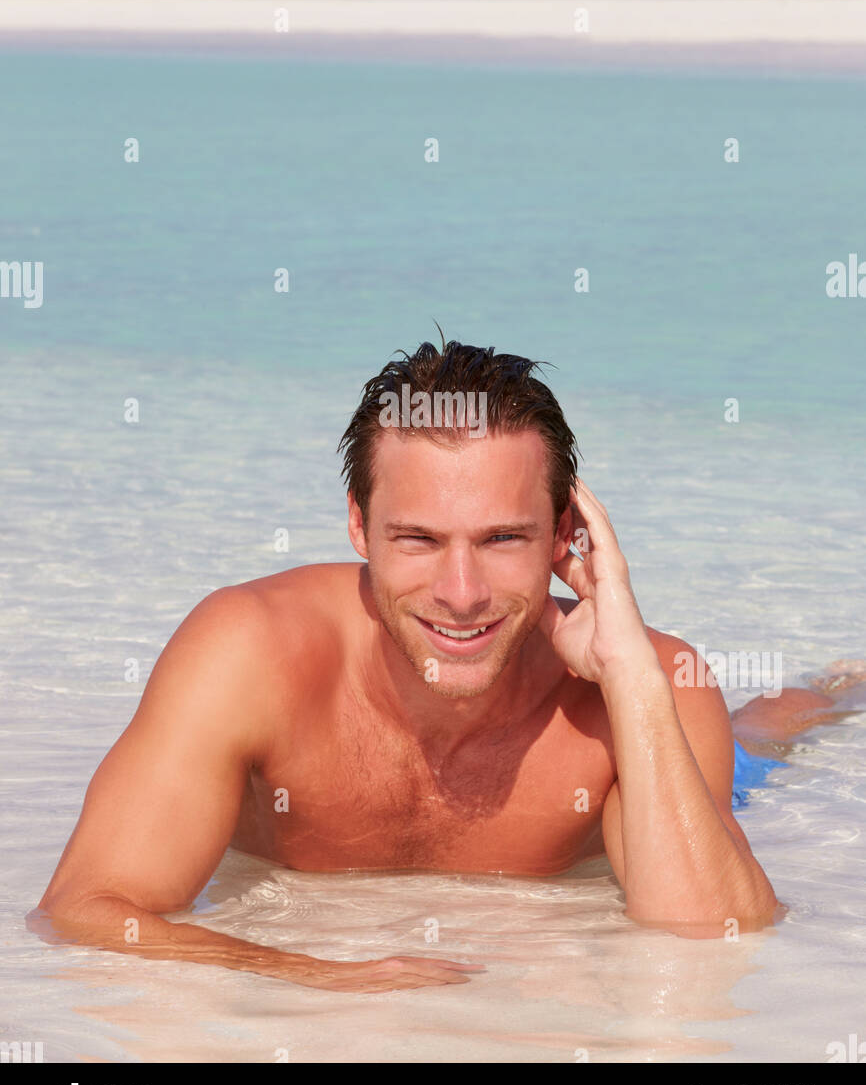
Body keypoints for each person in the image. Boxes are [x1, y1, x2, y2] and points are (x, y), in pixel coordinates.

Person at [33, 337, 864, 993]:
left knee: (760, 739)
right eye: (419, 539)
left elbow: (708, 943)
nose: (461, 593)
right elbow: (85, 911)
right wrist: (313, 977)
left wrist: (634, 679)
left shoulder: (643, 683)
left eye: (503, 539)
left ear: (565, 533)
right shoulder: (247, 653)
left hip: (684, 741)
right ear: (360, 527)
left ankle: (831, 691)